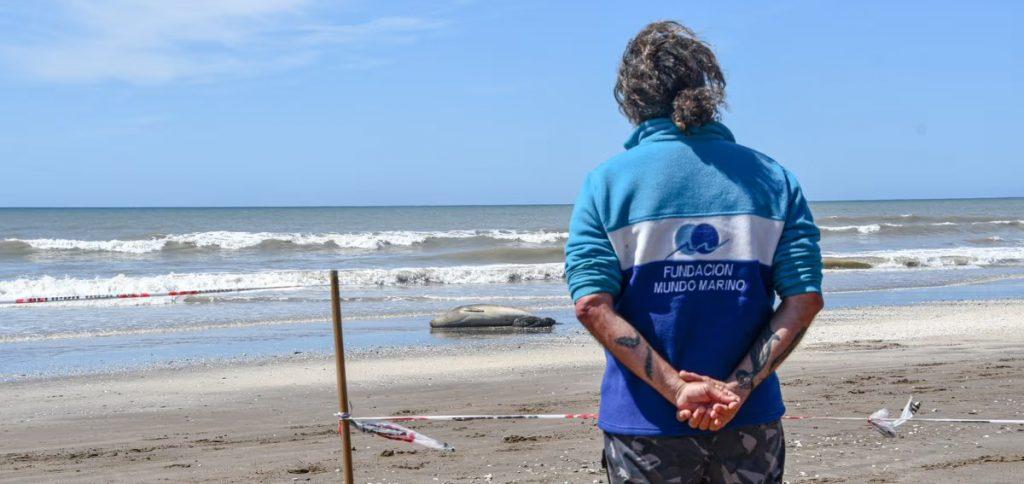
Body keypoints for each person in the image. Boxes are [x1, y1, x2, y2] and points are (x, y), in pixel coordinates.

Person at [565, 20, 824, 483]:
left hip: (645, 423)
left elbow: (591, 305)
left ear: (631, 97)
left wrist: (677, 389)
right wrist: (736, 389)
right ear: (706, 88)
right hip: (747, 417)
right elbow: (804, 298)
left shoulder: (607, 183)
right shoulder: (773, 179)